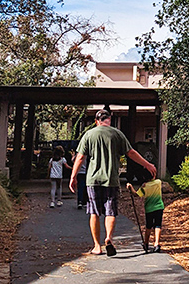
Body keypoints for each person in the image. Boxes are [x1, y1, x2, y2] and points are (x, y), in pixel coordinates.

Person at [69, 109, 156, 257]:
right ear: (109, 120)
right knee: (110, 212)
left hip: (93, 180)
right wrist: (147, 164)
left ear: (96, 121)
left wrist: (73, 176)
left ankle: (97, 246)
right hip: (111, 179)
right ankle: (108, 238)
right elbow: (131, 153)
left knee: (94, 212)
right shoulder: (117, 134)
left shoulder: (89, 135)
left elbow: (80, 157)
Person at [127, 169, 164, 253]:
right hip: (159, 207)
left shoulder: (144, 187)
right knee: (158, 225)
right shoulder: (158, 182)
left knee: (148, 226)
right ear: (153, 175)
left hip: (149, 209)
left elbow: (136, 194)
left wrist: (131, 187)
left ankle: (146, 243)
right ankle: (156, 243)